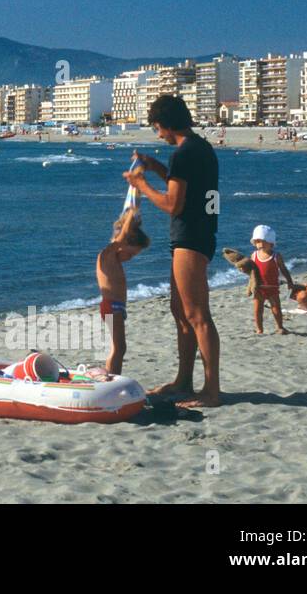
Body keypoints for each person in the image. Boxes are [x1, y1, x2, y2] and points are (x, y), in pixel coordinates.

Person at [124, 94, 221, 408]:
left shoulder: (184, 153)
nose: (158, 135)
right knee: (180, 313)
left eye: (157, 129)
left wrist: (142, 187)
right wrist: (155, 168)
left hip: (190, 236)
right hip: (200, 233)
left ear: (163, 124)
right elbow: (185, 186)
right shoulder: (200, 148)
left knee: (197, 315)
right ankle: (184, 380)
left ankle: (211, 391)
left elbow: (172, 204)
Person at [96, 205, 149, 374]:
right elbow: (120, 239)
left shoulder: (115, 259)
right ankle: (112, 377)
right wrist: (129, 217)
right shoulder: (107, 254)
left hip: (117, 307)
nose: (130, 258)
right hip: (111, 306)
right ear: (124, 245)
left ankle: (113, 376)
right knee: (118, 348)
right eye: (131, 254)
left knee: (119, 347)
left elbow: (122, 240)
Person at [225, 225, 293, 334]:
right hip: (258, 288)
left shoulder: (276, 256)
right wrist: (244, 271)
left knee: (276, 308)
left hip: (272, 287)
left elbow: (283, 269)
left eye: (262, 241)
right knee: (257, 310)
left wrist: (290, 281)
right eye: (257, 242)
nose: (259, 244)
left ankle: (280, 327)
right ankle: (259, 329)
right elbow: (251, 271)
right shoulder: (254, 255)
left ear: (271, 242)